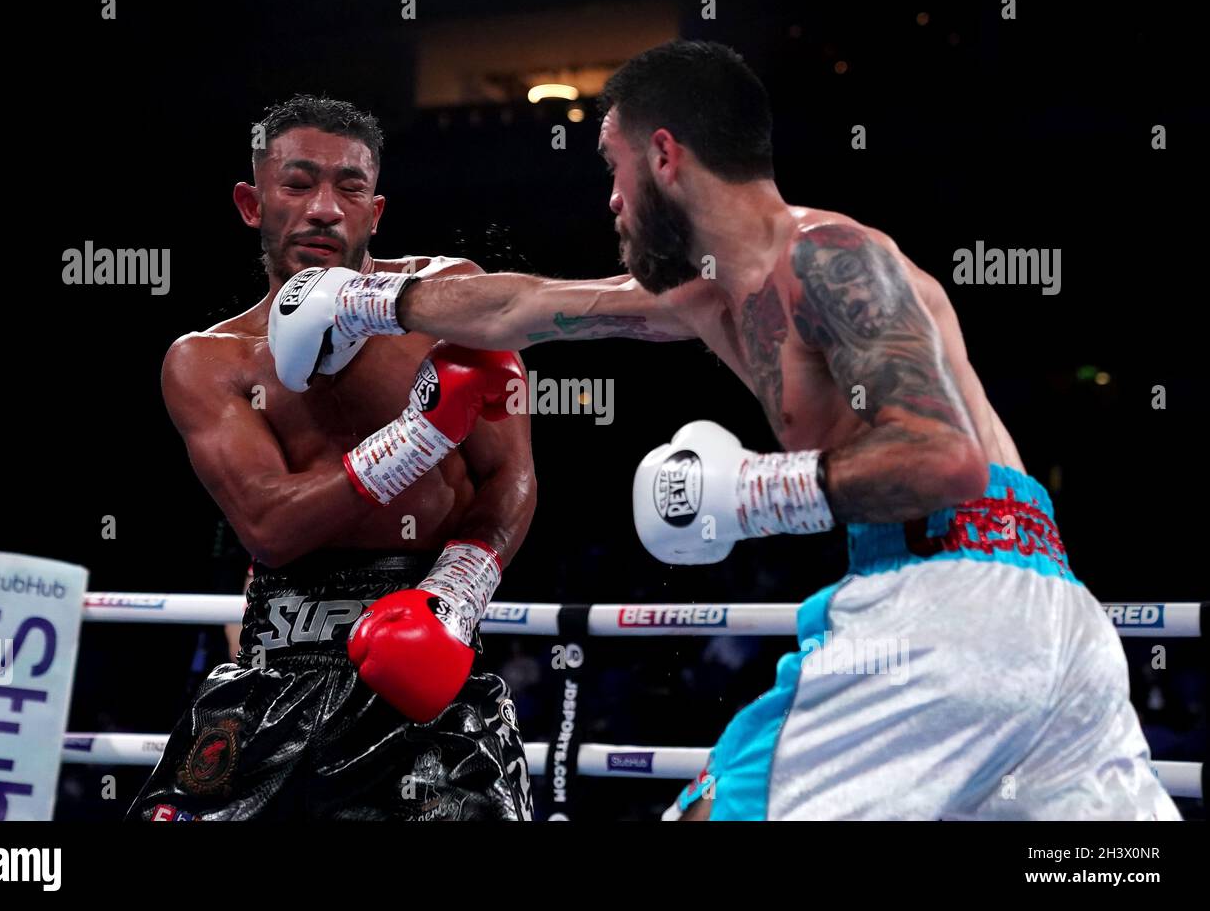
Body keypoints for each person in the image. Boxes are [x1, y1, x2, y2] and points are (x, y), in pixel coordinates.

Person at [268, 43, 1178, 820]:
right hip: (1053, 621)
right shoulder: (710, 293)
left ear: (664, 157)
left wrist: (748, 491)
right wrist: (367, 298)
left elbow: (942, 457)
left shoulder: (830, 256)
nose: (610, 201)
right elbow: (528, 305)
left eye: (612, 166)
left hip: (948, 606)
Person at [128, 95, 536, 821]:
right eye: (298, 183)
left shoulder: (445, 301)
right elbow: (269, 527)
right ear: (252, 203)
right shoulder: (209, 359)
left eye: (349, 188)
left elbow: (509, 477)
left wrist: (453, 598)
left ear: (375, 213)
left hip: (424, 642)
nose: (324, 208)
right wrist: (423, 431)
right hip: (275, 667)